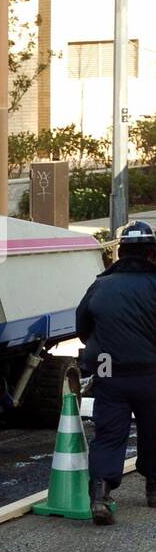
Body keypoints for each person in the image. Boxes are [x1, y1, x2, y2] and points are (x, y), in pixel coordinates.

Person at [76, 219, 156, 524]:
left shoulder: (100, 285)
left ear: (120, 253)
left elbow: (82, 329)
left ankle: (101, 492)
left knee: (109, 433)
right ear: (151, 254)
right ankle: (153, 489)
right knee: (153, 429)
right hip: (150, 371)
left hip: (109, 370)